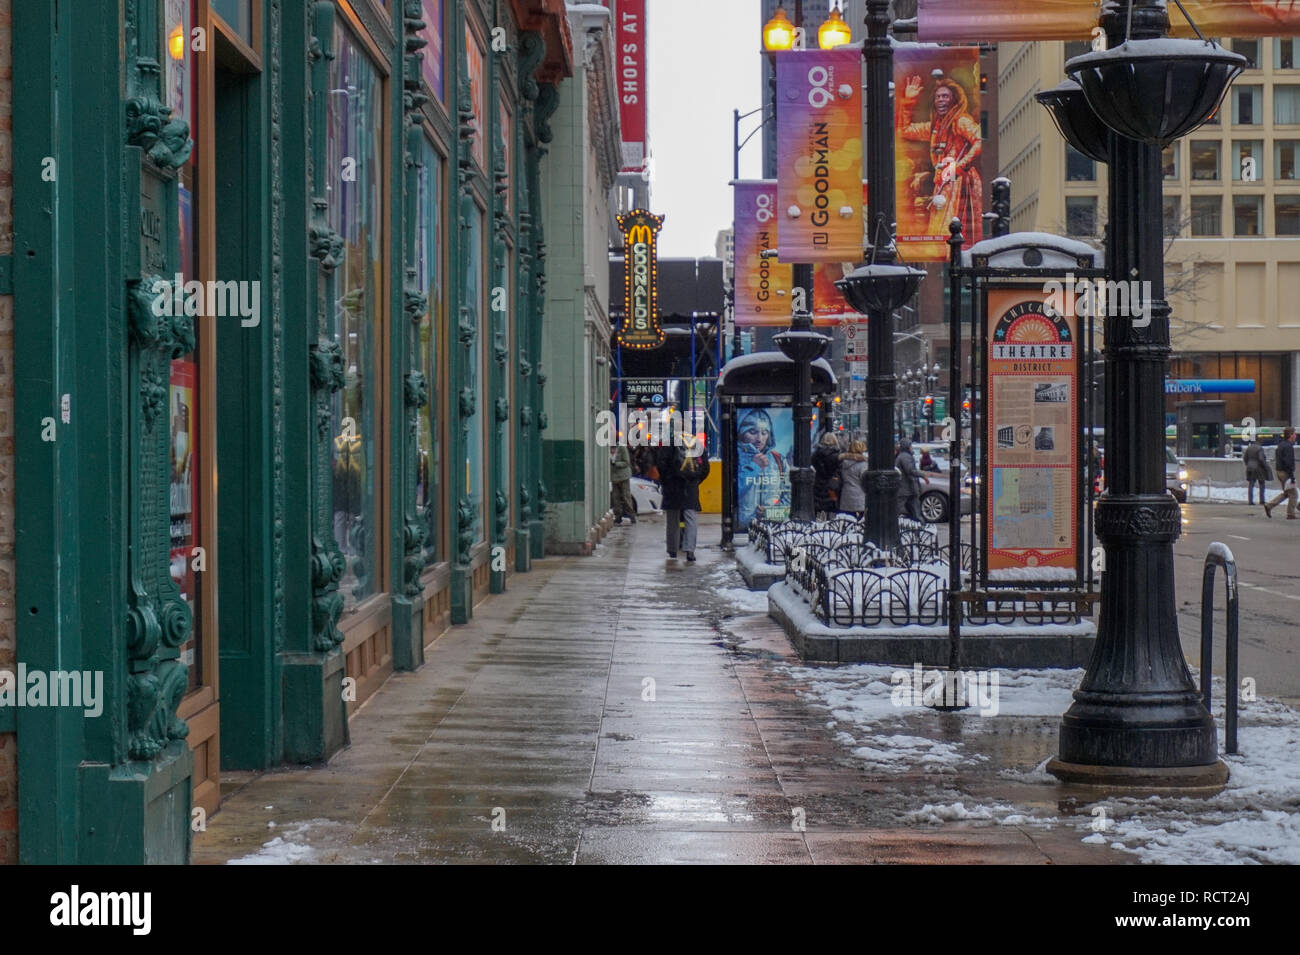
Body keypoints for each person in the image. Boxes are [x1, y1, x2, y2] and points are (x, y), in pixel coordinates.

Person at [897, 71, 984, 244]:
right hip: (943, 185)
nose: (941, 100)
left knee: (953, 233)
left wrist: (959, 166)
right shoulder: (934, 128)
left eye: (945, 96)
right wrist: (908, 102)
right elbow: (904, 130)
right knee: (939, 234)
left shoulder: (961, 121)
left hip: (960, 183)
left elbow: (979, 141)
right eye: (938, 97)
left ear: (954, 99)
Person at [660, 434, 710, 561]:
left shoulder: (669, 443)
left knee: (673, 519)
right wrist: (695, 481)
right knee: (691, 517)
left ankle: (672, 550)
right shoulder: (696, 443)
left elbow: (661, 464)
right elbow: (705, 468)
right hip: (690, 486)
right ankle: (690, 550)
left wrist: (667, 481)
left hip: (673, 486)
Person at [736, 409, 789, 525]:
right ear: (741, 433)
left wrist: (770, 513)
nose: (759, 439)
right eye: (753, 432)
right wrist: (754, 466)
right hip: (743, 528)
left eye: (764, 433)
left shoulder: (779, 460)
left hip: (773, 528)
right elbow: (732, 493)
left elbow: (789, 498)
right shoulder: (735, 458)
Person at [1264, 427, 1297, 519]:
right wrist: (1292, 476)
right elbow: (1288, 462)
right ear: (1290, 435)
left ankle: (1269, 506)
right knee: (1294, 494)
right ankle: (1291, 514)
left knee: (1287, 493)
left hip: (1280, 471)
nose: (1295, 435)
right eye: (1294, 434)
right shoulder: (1288, 446)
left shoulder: (1281, 445)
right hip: (1286, 472)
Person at [895, 437, 930, 522]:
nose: (912, 448)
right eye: (910, 446)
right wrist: (923, 475)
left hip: (907, 489)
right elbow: (910, 470)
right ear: (907, 447)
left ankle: (917, 527)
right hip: (907, 489)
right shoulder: (905, 457)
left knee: (913, 511)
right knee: (914, 512)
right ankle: (920, 527)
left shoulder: (902, 456)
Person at [812, 432, 842, 519]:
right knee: (832, 509)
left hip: (818, 485)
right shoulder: (837, 456)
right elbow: (839, 471)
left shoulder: (816, 454)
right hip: (832, 487)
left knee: (818, 509)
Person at [836, 440, 869, 518]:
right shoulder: (863, 464)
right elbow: (865, 480)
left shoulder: (844, 463)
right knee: (860, 521)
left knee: (848, 520)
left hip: (846, 494)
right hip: (859, 496)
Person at [610, 444, 635, 525]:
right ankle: (618, 517)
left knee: (626, 496)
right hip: (614, 477)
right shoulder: (607, 448)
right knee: (615, 497)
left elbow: (626, 462)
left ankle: (631, 515)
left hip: (623, 476)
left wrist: (616, 464)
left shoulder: (621, 448)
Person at [1243, 437, 1270, 506]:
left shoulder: (1249, 448)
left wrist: (1248, 464)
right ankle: (1262, 500)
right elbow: (1261, 459)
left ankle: (1250, 501)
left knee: (1251, 484)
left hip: (1250, 467)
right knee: (1262, 483)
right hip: (1258, 468)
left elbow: (1245, 458)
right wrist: (1265, 466)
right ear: (1260, 442)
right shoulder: (1260, 448)